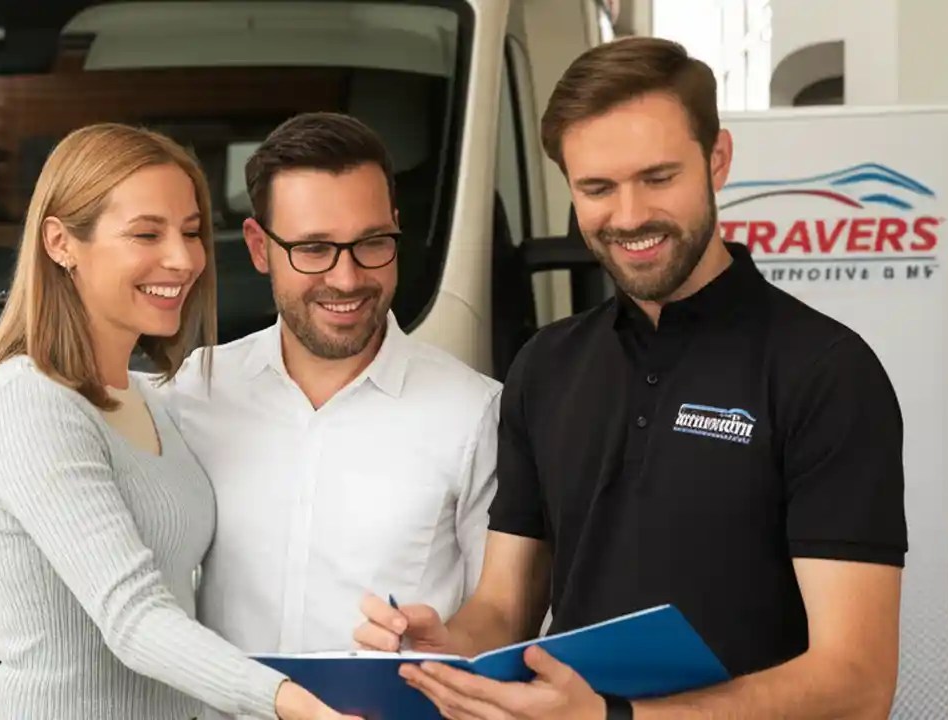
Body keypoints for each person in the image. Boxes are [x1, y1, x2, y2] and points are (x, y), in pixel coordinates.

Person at [354, 36, 907, 719]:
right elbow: (503, 608)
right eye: (597, 188)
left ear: (718, 159)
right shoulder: (545, 367)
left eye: (658, 177)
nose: (630, 215)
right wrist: (445, 648)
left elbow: (857, 682)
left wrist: (616, 718)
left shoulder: (824, 371)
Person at [0, 123, 355, 720]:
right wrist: (295, 704)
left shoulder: (149, 399)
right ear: (61, 243)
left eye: (191, 232)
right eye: (146, 233)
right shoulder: (29, 401)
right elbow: (133, 616)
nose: (183, 259)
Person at [162, 112, 501, 656]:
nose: (347, 278)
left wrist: (452, 644)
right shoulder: (192, 394)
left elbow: (503, 619)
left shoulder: (475, 413)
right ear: (258, 247)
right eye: (314, 249)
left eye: (372, 242)